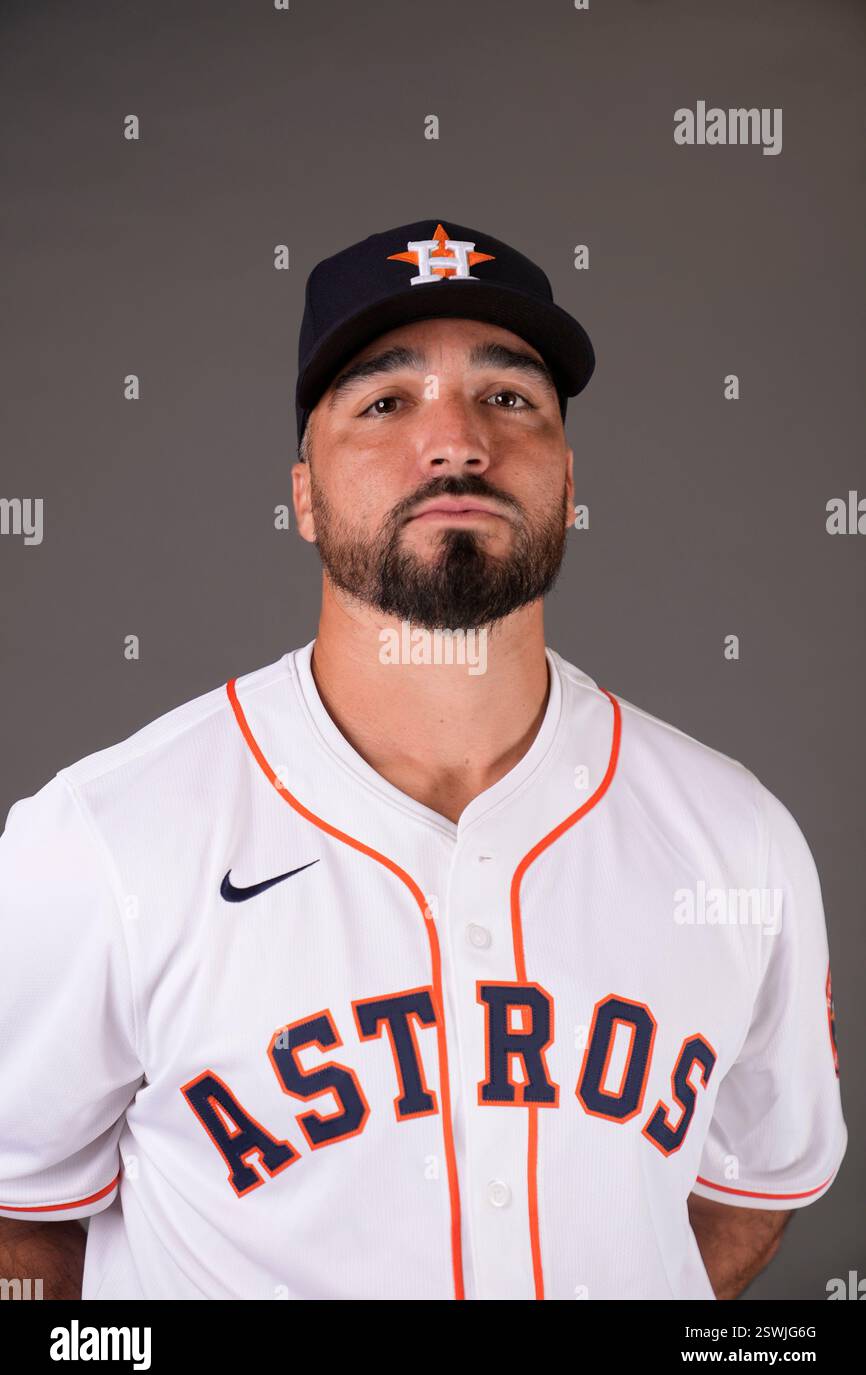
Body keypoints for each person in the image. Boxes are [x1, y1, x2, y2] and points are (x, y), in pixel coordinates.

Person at [0, 219, 846, 1300]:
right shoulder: (104, 839)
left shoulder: (736, 841)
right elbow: (17, 1223)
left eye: (509, 399)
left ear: (568, 479)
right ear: (302, 491)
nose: (455, 443)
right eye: (384, 403)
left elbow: (753, 1187)